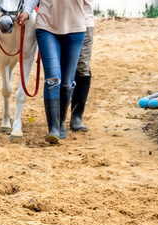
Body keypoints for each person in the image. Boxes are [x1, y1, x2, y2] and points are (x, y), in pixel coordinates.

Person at [18, 0, 85, 144]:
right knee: (53, 79)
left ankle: (60, 123)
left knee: (67, 83)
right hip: (46, 27)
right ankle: (53, 129)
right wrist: (27, 11)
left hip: (75, 28)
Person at [69, 0, 93, 131]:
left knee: (82, 67)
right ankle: (57, 117)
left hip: (84, 21)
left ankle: (76, 116)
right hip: (55, 23)